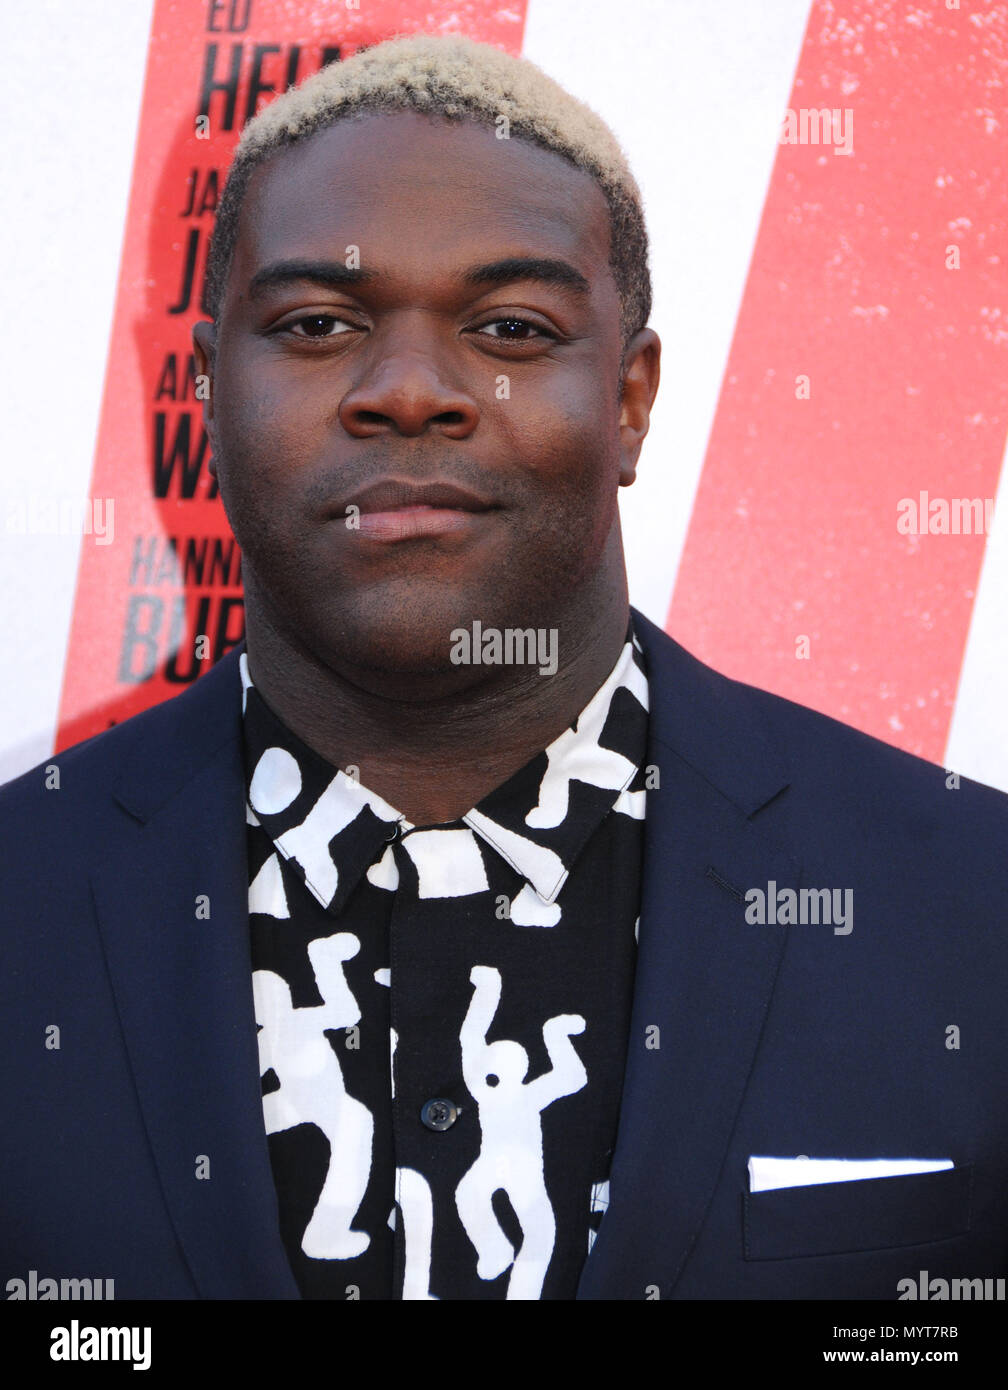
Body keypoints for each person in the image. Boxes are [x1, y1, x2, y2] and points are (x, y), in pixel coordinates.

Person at [2, 33, 1006, 1302]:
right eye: (318, 324)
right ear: (209, 390)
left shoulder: (974, 910)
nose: (411, 390)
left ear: (631, 398)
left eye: (511, 327)